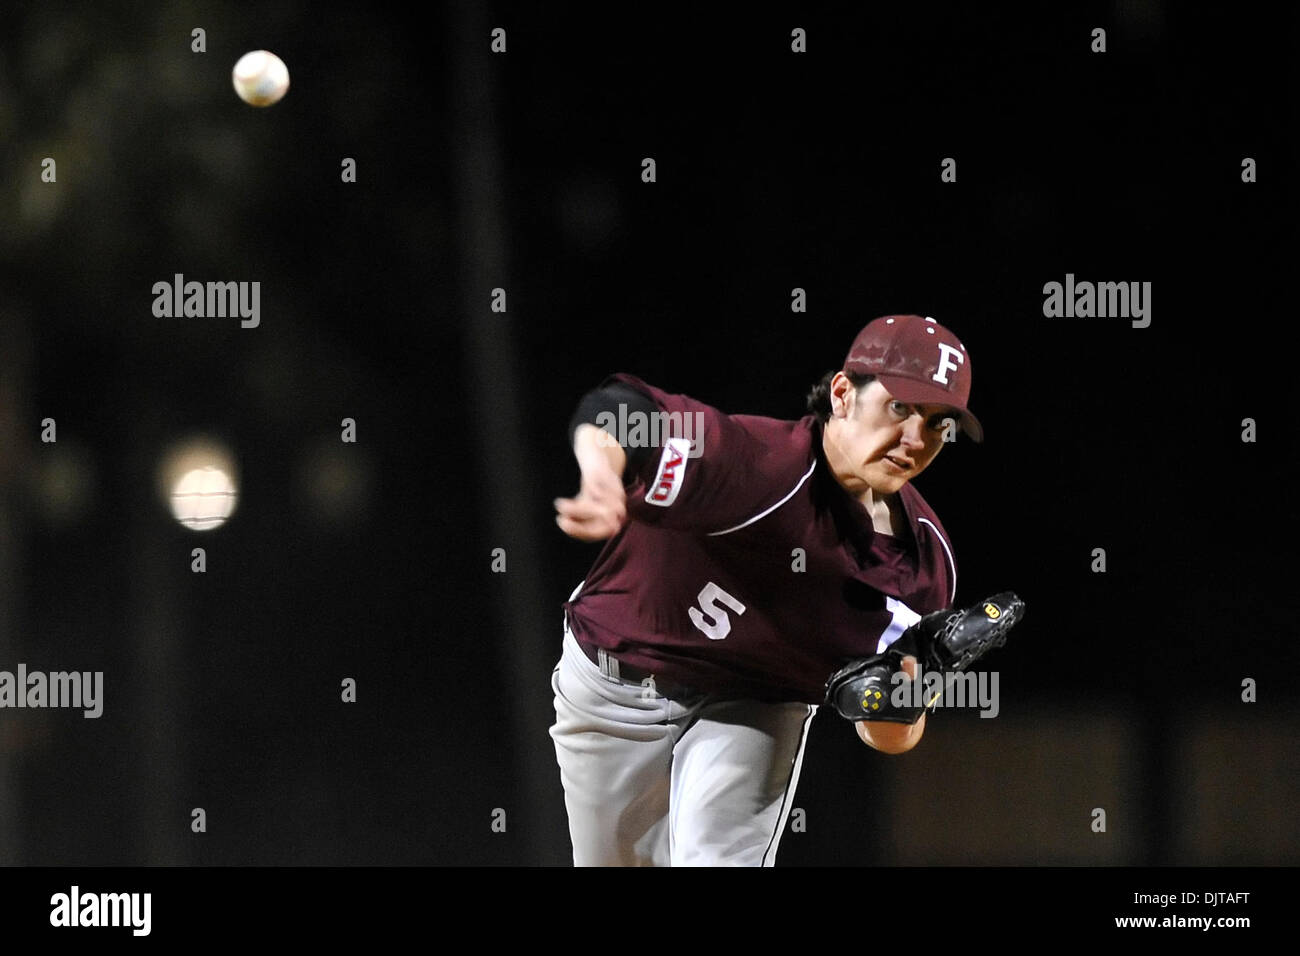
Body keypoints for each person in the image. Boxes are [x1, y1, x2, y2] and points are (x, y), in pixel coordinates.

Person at [550, 314, 983, 866]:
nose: (916, 439)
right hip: (619, 681)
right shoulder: (758, 466)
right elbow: (616, 410)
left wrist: (904, 702)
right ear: (844, 394)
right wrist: (602, 477)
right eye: (900, 408)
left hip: (754, 700)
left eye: (938, 423)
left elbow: (893, 737)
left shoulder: (923, 565)